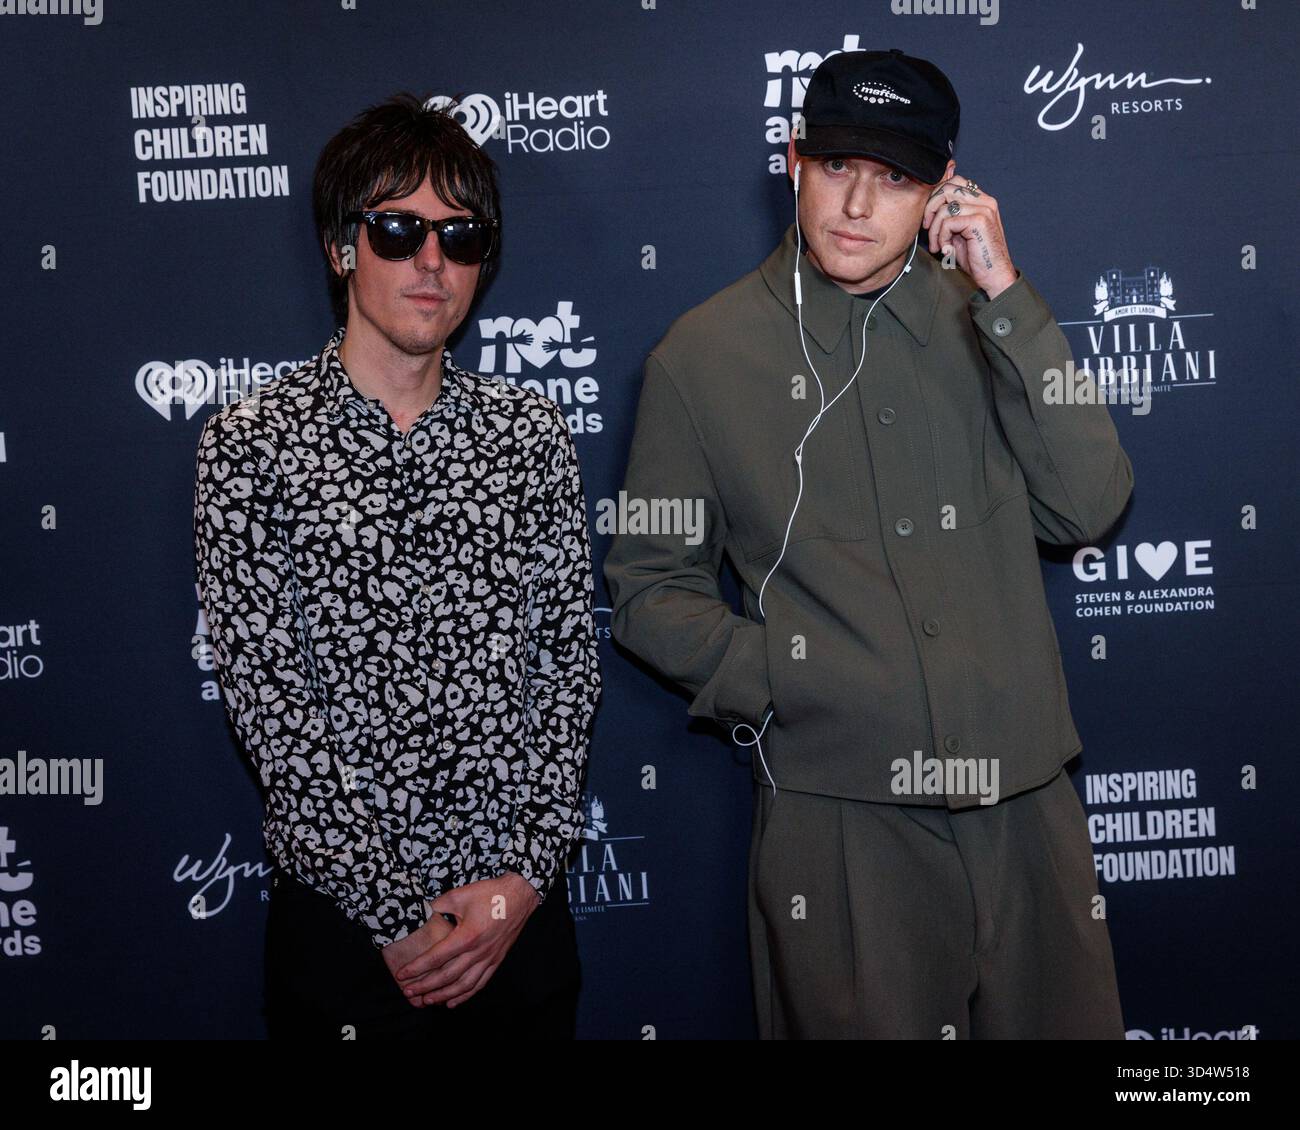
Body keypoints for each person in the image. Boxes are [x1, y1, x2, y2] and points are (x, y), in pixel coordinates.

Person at [603, 48, 1133, 1039]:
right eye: (837, 165)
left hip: (1025, 805)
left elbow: (1090, 504)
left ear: (943, 189)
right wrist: (789, 677)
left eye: (894, 177)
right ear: (793, 159)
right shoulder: (698, 356)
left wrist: (1008, 293)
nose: (856, 203)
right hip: (838, 828)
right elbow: (646, 586)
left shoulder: (991, 318)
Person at [193, 93, 601, 1039]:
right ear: (342, 247)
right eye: (398, 229)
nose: (432, 260)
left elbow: (568, 672)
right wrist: (396, 918)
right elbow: (271, 706)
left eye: (461, 237)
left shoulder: (528, 436)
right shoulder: (252, 445)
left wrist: (519, 885)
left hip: (517, 932)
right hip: (342, 941)